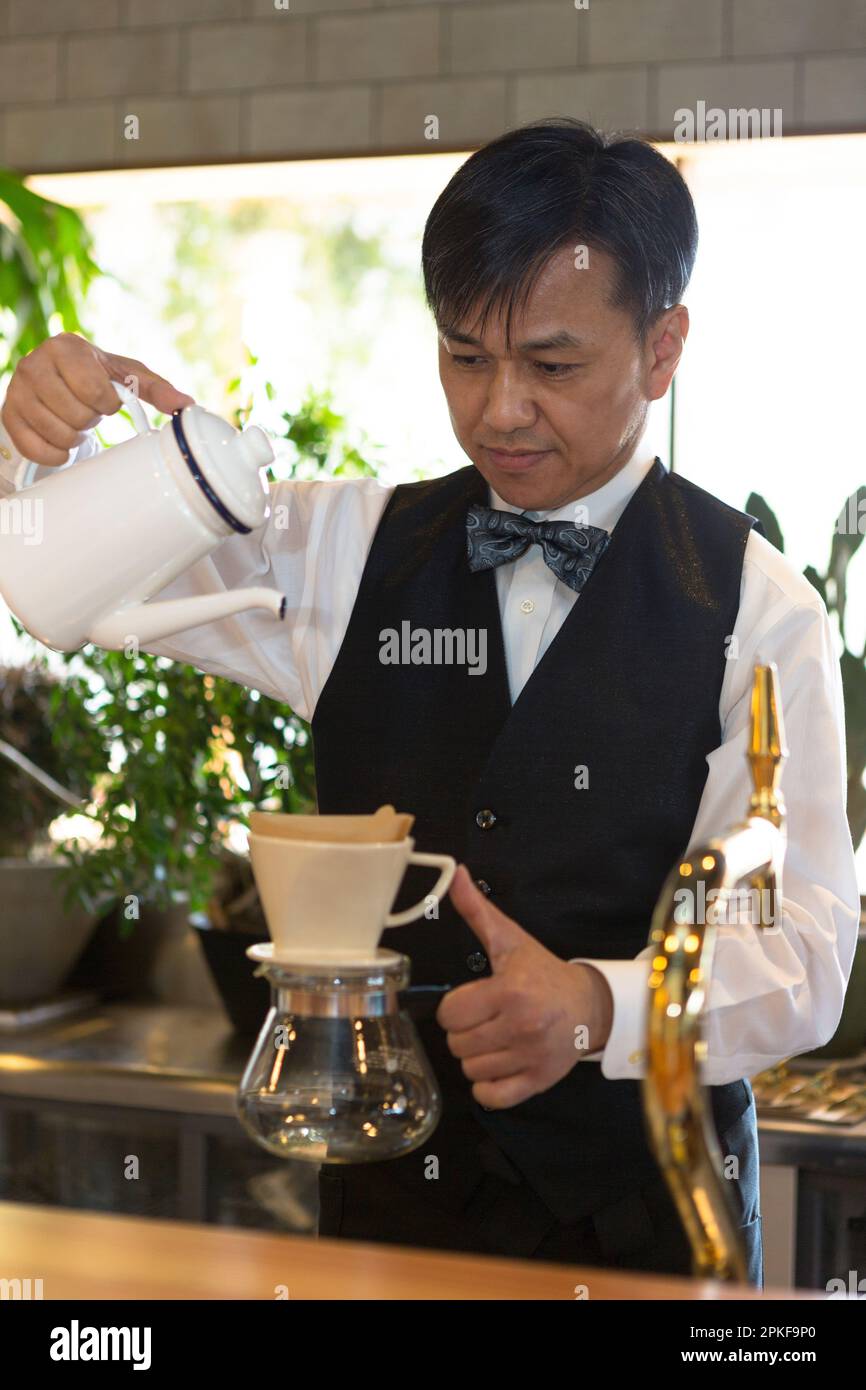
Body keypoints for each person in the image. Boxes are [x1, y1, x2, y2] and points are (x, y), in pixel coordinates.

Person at [0, 119, 858, 1287]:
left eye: (550, 366)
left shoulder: (758, 610)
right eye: (464, 356)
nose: (498, 410)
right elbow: (61, 575)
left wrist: (594, 1007)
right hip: (388, 1220)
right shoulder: (347, 550)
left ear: (662, 349)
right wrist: (44, 444)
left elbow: (800, 947)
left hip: (650, 1235)